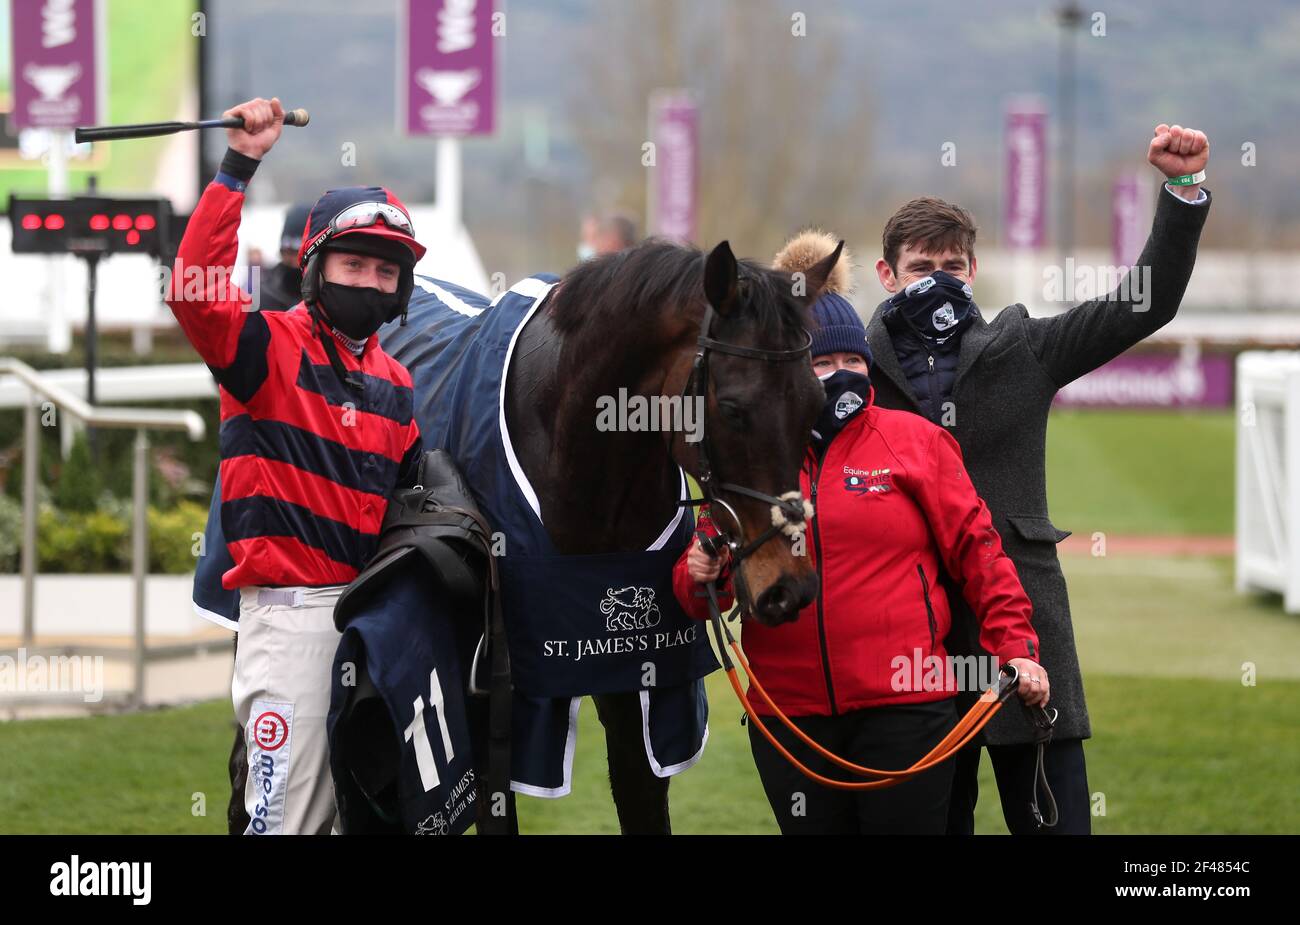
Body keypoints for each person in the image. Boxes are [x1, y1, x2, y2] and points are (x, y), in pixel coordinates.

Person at [864, 123, 1211, 834]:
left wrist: (1179, 192)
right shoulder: (851, 371)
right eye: (921, 264)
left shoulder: (1023, 348)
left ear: (974, 270)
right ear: (886, 274)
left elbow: (1141, 305)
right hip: (911, 647)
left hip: (1025, 638)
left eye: (953, 266)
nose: (937, 279)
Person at [672, 232, 1048, 835]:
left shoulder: (914, 441)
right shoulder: (756, 460)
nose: (840, 375)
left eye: (851, 361)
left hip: (908, 707)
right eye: (822, 363)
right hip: (789, 717)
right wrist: (696, 575)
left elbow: (979, 554)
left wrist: (1017, 649)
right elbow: (702, 595)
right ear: (793, 373)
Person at [164, 97, 426, 835]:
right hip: (288, 624)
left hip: (371, 624)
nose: (371, 282)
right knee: (283, 826)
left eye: (386, 271)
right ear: (313, 268)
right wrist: (239, 164)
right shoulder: (265, 348)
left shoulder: (400, 387)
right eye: (354, 263)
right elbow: (192, 285)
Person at [256, 202, 314, 310]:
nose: (292, 260)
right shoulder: (265, 293)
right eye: (286, 252)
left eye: (298, 253)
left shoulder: (326, 297)